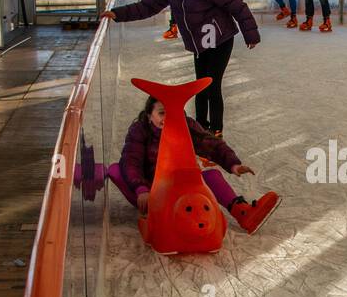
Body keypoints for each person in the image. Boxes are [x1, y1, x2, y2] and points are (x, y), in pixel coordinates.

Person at [102, 0, 259, 135]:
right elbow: (150, 5)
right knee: (200, 85)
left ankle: (216, 131)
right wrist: (118, 14)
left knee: (212, 84)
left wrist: (250, 33)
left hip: (220, 38)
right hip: (199, 41)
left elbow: (234, 3)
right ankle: (201, 129)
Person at [108, 94, 280, 235]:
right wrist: (141, 189)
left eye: (172, 112)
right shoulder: (140, 130)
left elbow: (210, 144)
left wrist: (233, 164)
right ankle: (154, 218)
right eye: (162, 113)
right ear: (148, 116)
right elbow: (131, 161)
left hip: (181, 186)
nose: (168, 118)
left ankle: (242, 212)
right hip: (150, 192)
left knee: (211, 175)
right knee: (116, 169)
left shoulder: (185, 124)